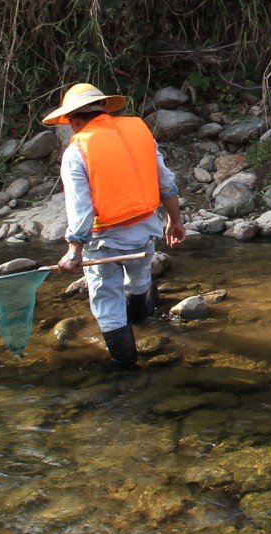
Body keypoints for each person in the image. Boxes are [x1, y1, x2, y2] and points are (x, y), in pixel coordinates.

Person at [44, 83, 185, 370]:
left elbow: (80, 208)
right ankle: (145, 326)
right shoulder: (139, 131)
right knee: (138, 281)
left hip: (104, 241)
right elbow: (166, 182)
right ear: (103, 109)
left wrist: (74, 251)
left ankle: (126, 370)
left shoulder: (77, 150)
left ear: (72, 119)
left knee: (108, 306)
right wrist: (175, 220)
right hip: (146, 231)